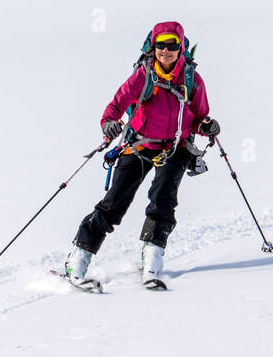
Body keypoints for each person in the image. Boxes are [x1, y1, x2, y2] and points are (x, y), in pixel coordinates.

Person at [65, 21, 220, 286]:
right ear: (153, 47)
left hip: (175, 148)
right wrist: (109, 125)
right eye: (161, 45)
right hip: (138, 145)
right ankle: (78, 259)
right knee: (114, 203)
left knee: (163, 202)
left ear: (181, 48)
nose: (166, 51)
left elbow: (199, 117)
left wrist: (207, 126)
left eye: (172, 46)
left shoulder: (192, 80)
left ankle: (152, 263)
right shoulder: (143, 74)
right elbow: (115, 106)